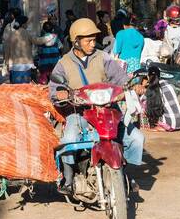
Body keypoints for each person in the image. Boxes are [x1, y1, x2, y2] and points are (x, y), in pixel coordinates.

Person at [47, 18, 137, 191]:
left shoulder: (103, 57)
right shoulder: (63, 63)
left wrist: (131, 85)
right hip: (79, 112)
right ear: (76, 42)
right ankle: (68, 177)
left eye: (94, 39)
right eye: (88, 40)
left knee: (135, 138)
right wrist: (59, 93)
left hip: (106, 109)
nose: (92, 43)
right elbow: (53, 89)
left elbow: (120, 78)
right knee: (70, 139)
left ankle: (125, 173)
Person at [2, 11, 36, 83]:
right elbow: (36, 41)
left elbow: (6, 49)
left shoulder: (11, 33)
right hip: (26, 65)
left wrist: (7, 63)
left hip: (15, 65)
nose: (27, 25)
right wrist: (49, 38)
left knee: (17, 87)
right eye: (26, 23)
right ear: (23, 24)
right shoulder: (27, 33)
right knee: (26, 86)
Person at [34, 19, 61, 84]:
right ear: (52, 29)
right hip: (55, 62)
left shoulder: (41, 39)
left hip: (44, 63)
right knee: (55, 80)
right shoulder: (56, 38)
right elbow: (60, 47)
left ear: (43, 30)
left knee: (44, 80)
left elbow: (39, 51)